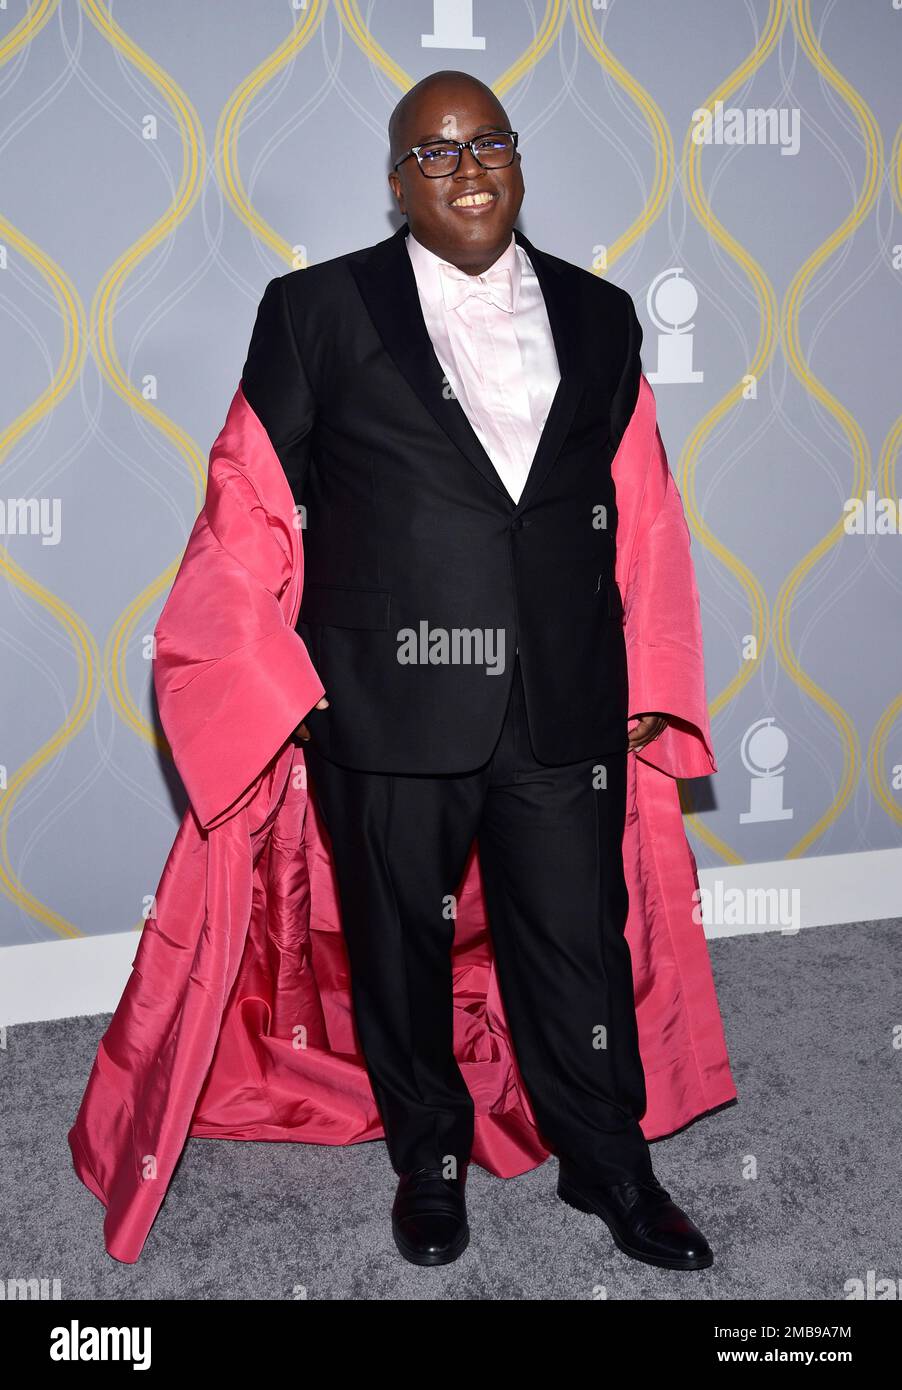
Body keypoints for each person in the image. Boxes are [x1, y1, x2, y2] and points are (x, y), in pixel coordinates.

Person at [238, 68, 714, 1271]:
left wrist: (651, 666)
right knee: (398, 943)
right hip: (388, 696)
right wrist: (268, 676)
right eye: (433, 153)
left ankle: (607, 1163)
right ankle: (430, 1160)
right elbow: (248, 505)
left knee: (576, 939)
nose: (465, 168)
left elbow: (641, 508)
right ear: (397, 185)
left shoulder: (602, 314)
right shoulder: (312, 309)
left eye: (485, 142)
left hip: (559, 691)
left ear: (516, 157)